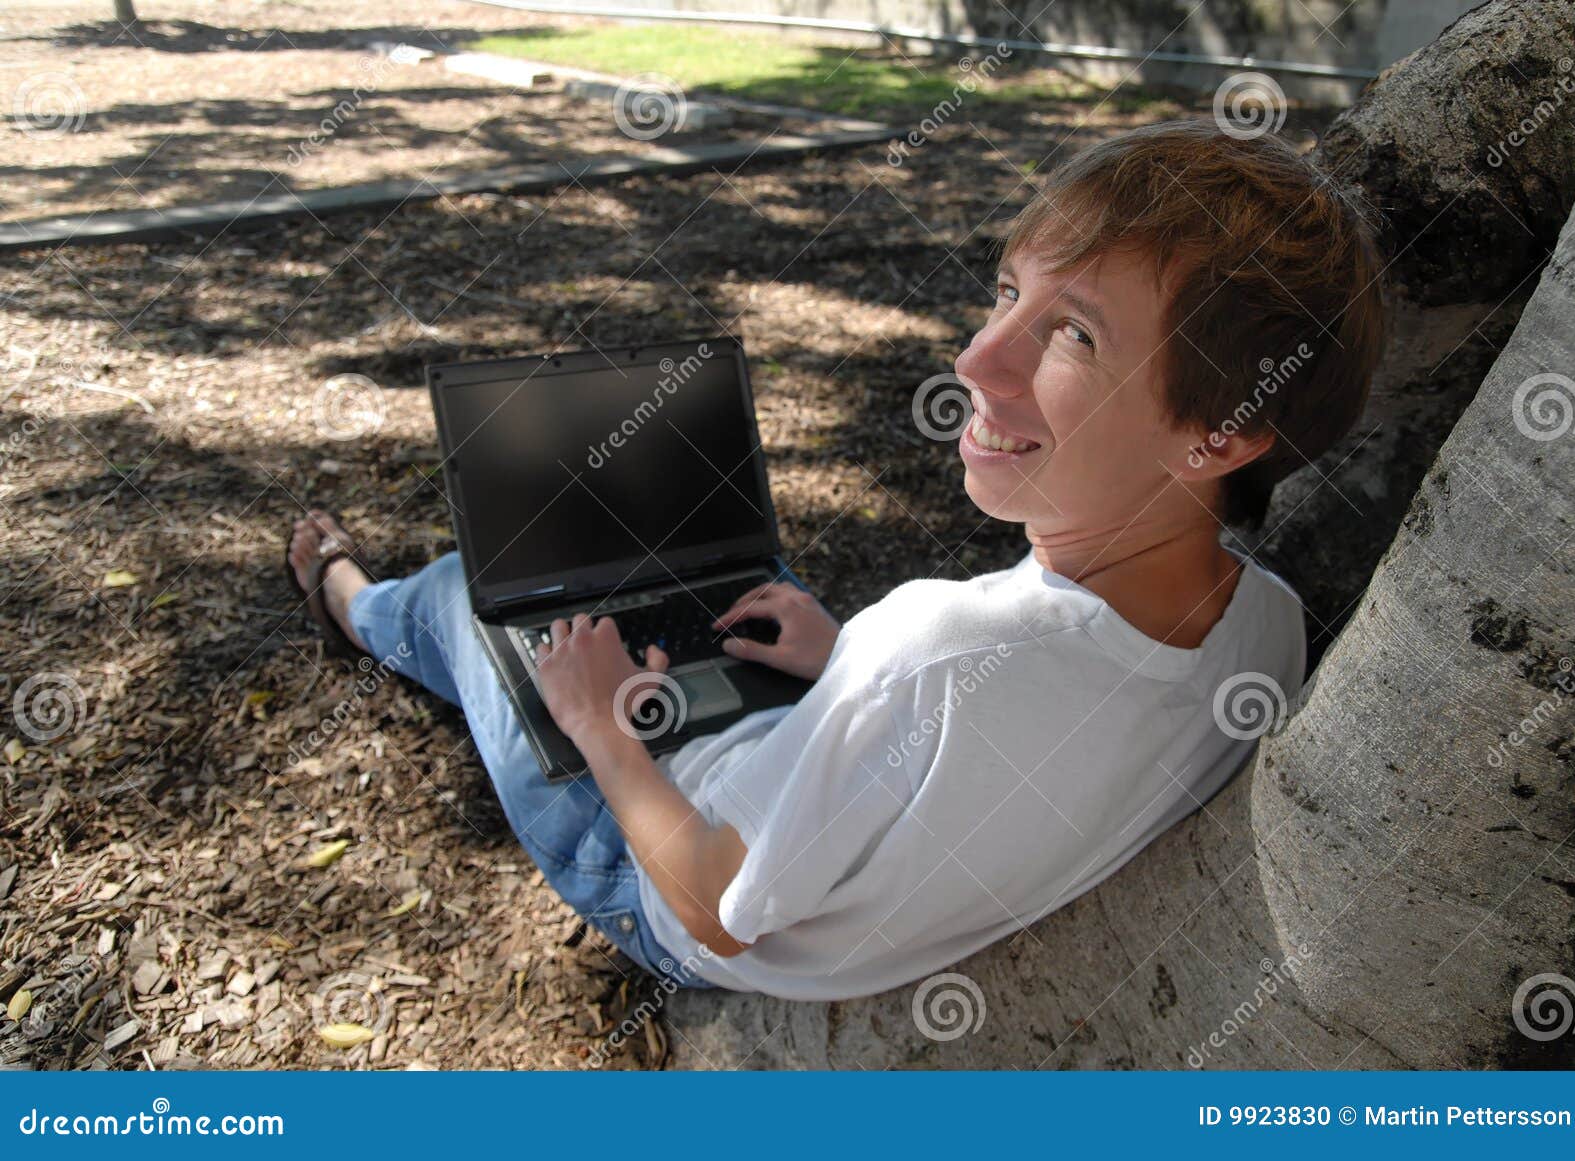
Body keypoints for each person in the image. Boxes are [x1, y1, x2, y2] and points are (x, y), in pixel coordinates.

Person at [285, 119, 1386, 1001]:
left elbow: (718, 901)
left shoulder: (939, 650)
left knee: (474, 602)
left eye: (1075, 334)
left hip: (675, 873)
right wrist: (844, 670)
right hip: (834, 778)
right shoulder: (1265, 628)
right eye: (1009, 294)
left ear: (1221, 436)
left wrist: (602, 731)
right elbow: (994, 746)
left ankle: (351, 597)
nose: (976, 358)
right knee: (733, 592)